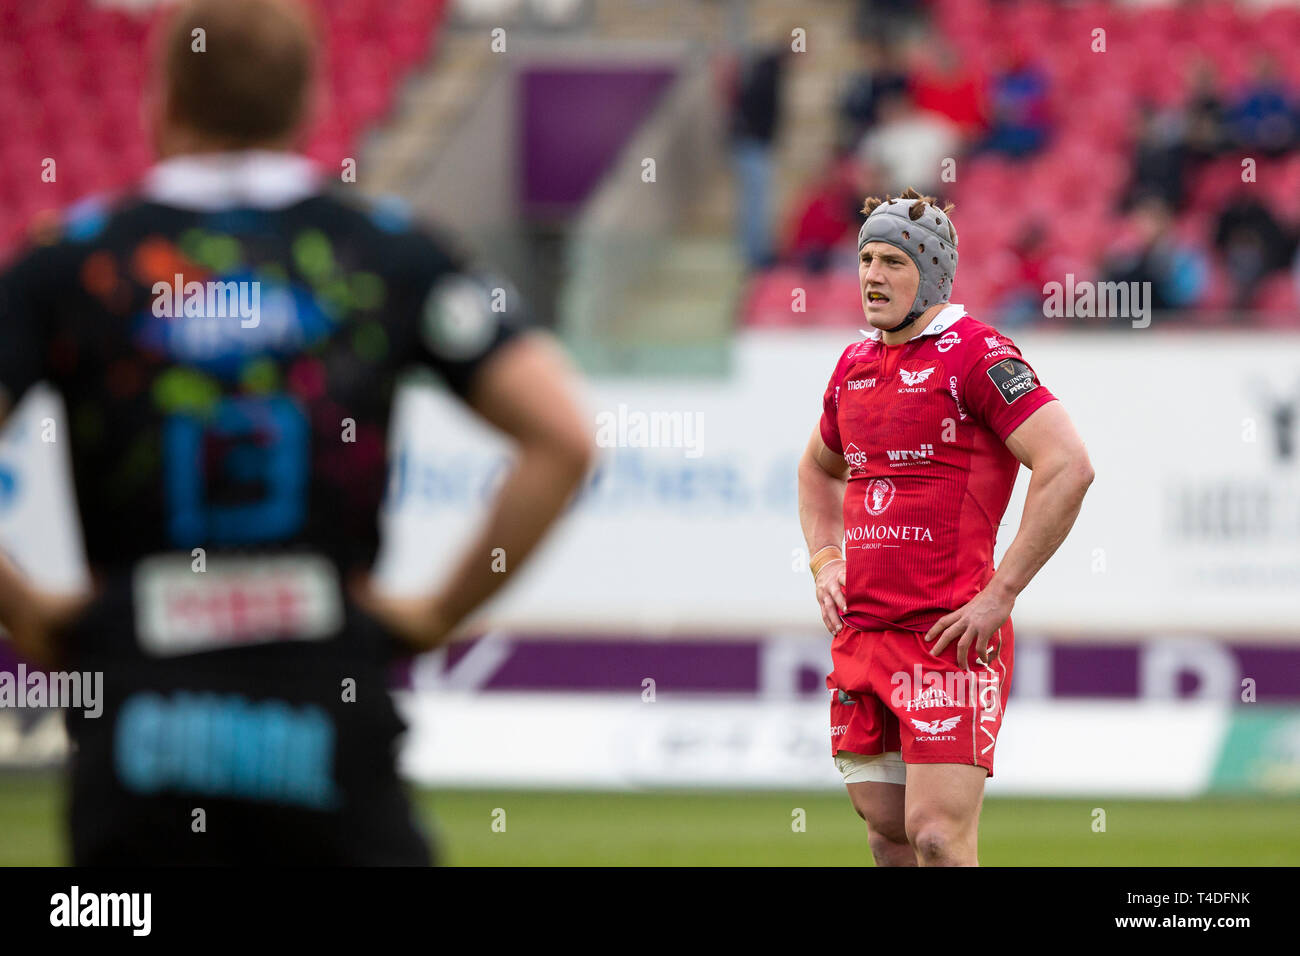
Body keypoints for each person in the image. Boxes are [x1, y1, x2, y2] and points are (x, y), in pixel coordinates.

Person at [0, 0, 593, 864]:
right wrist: (435, 614)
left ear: (159, 100)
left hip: (134, 729)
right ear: (308, 104)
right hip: (327, 711)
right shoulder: (389, 253)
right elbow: (563, 438)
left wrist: (27, 614)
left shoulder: (70, 262)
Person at [796, 187, 1093, 866]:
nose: (871, 275)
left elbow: (1068, 466)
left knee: (936, 835)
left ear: (929, 273)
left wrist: (1001, 593)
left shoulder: (980, 357)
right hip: (865, 636)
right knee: (888, 830)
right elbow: (817, 472)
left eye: (892, 262)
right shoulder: (853, 368)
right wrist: (824, 561)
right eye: (866, 259)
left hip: (946, 638)